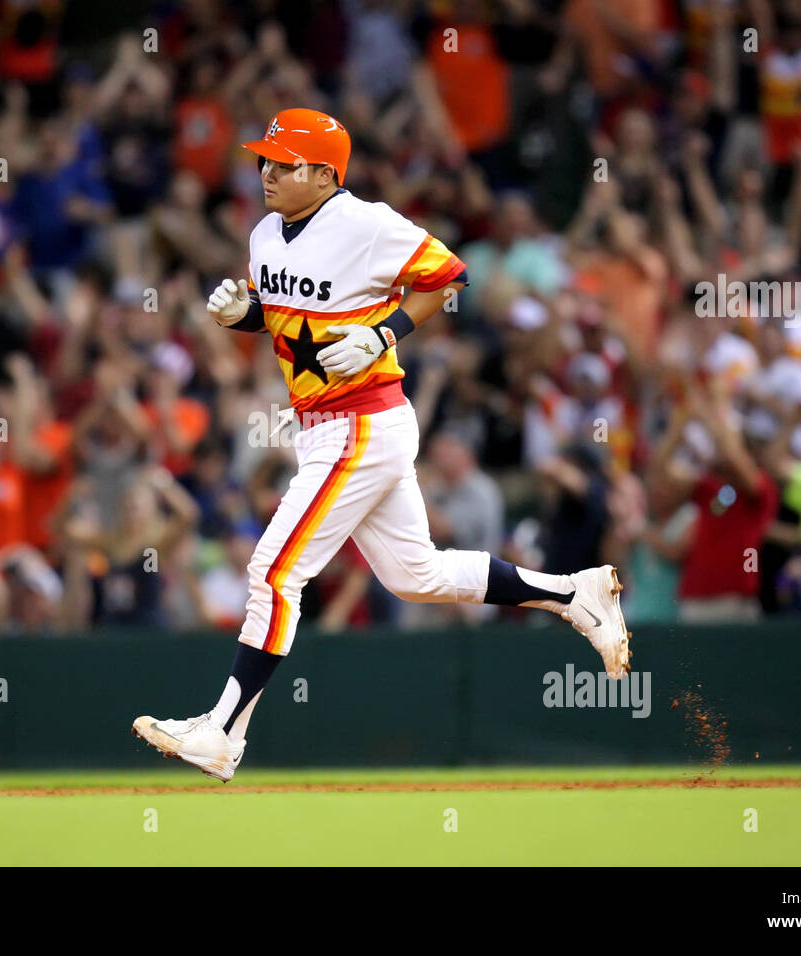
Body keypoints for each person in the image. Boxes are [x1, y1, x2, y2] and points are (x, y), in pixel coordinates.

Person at [132, 109, 632, 781]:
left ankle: (221, 730)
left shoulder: (364, 223)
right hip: (327, 426)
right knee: (416, 577)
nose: (267, 173)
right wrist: (244, 314)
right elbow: (291, 323)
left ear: (323, 172)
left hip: (362, 422)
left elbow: (449, 276)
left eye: (283, 164)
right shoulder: (262, 234)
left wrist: (385, 332)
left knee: (274, 573)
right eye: (265, 161)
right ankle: (575, 595)